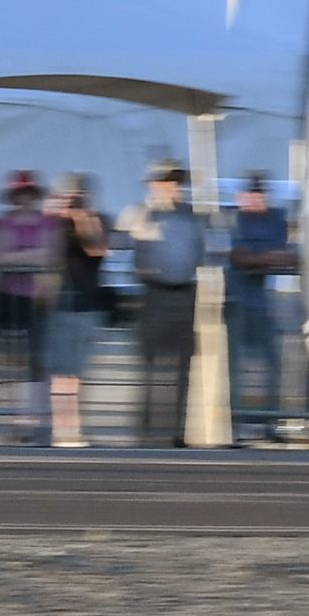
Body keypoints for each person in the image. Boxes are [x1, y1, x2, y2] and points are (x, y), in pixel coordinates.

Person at [120, 162, 208, 448]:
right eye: (167, 181)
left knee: (182, 366)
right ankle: (147, 431)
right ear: (153, 184)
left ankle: (176, 431)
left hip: (185, 293)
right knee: (150, 367)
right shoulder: (140, 213)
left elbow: (203, 251)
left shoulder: (192, 216)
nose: (173, 187)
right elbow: (124, 247)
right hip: (154, 294)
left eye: (177, 181)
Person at [223, 174, 296, 439]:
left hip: (267, 307)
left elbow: (287, 257)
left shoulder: (276, 219)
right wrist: (265, 257)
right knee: (236, 369)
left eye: (259, 194)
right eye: (251, 194)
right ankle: (235, 424)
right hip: (236, 304)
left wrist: (257, 257)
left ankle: (269, 423)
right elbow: (239, 258)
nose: (255, 199)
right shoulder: (234, 220)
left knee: (272, 367)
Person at [0, 173, 55, 435]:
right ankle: (8, 418)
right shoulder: (1, 222)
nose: (24, 198)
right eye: (20, 194)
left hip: (37, 300)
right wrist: (31, 256)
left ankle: (37, 419)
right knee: (7, 360)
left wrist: (15, 257)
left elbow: (51, 256)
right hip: (8, 297)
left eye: (29, 193)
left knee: (37, 360)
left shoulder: (47, 223)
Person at [45, 175, 109, 448]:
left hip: (85, 304)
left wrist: (81, 216)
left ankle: (75, 427)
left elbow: (97, 249)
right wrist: (57, 216)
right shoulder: (53, 224)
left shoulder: (96, 220)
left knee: (78, 373)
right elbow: (50, 254)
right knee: (61, 372)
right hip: (59, 304)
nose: (72, 202)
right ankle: (62, 429)